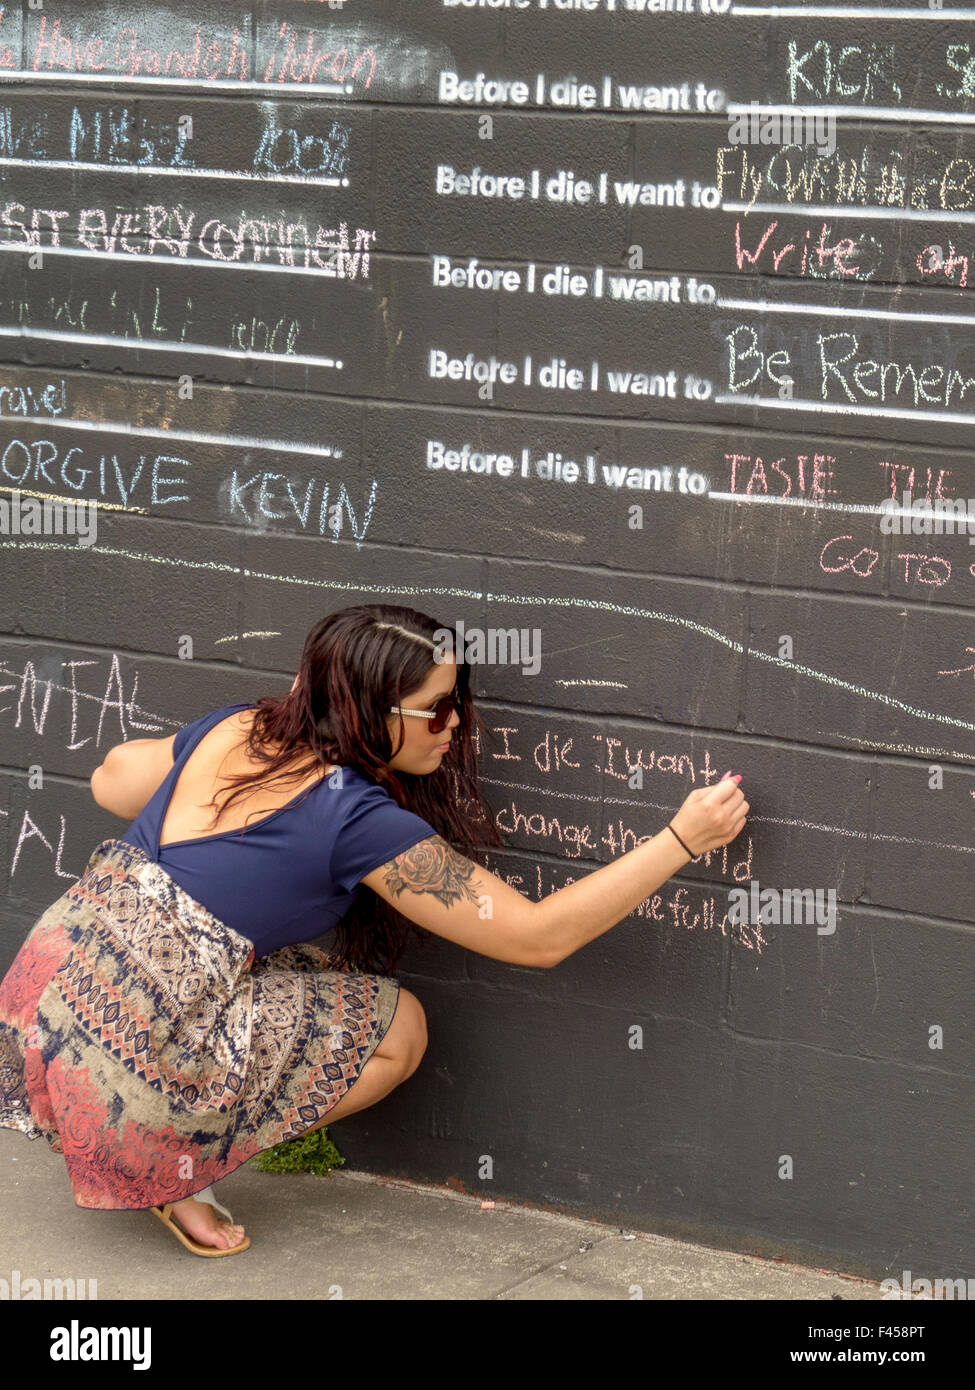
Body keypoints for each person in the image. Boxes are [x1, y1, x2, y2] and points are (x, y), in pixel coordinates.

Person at [0, 603, 748, 1257]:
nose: (455, 727)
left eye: (458, 705)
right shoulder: (354, 819)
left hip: (39, 1009)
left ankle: (130, 1128)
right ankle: (172, 1164)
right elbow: (536, 937)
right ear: (364, 712)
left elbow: (108, 779)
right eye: (437, 710)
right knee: (401, 1029)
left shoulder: (238, 729)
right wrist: (681, 839)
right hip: (127, 1064)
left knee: (284, 961)